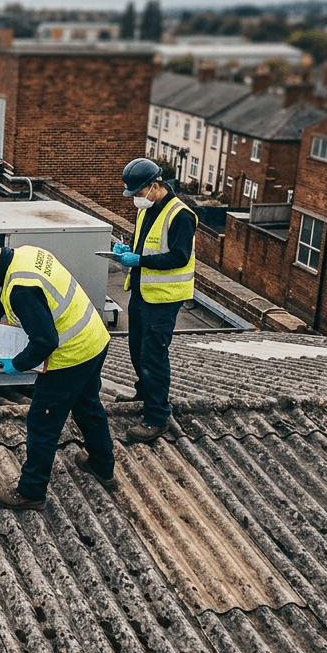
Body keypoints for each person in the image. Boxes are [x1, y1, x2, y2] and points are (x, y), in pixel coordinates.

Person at [0, 228, 118, 511]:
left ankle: (31, 492)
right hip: (94, 338)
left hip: (71, 354)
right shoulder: (23, 256)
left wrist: (18, 364)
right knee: (87, 405)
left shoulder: (21, 289)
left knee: (42, 421)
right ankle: (102, 465)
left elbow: (45, 341)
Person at [115, 158, 197, 442]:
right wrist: (127, 250)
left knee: (154, 356)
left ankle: (157, 417)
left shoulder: (180, 215)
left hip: (163, 298)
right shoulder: (146, 209)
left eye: (139, 192)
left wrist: (139, 260)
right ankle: (143, 395)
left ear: (155, 185)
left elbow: (179, 256)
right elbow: (144, 245)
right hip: (141, 292)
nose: (137, 198)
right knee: (137, 349)